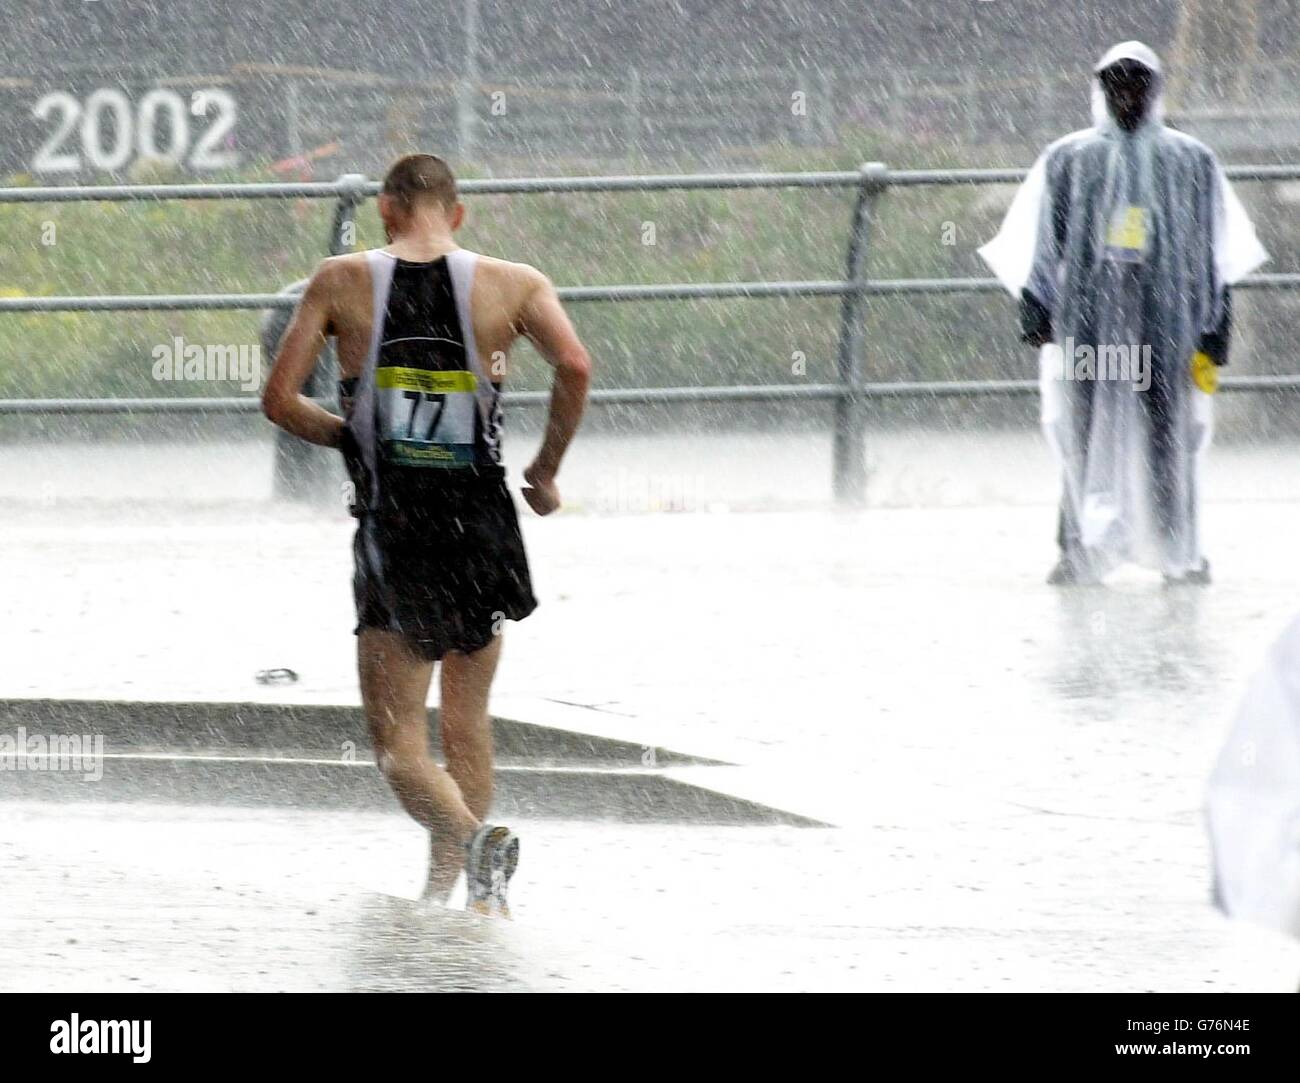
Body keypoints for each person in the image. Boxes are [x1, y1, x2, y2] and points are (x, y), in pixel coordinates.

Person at [262, 153, 591, 915]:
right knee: (468, 721)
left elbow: (279, 400)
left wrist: (353, 436)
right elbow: (574, 364)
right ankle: (462, 892)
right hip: (482, 522)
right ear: (459, 213)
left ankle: (473, 845)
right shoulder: (517, 283)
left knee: (399, 744)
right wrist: (544, 471)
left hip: (396, 526)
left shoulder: (339, 280)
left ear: (385, 209)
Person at [979, 41, 1268, 586]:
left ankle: (1176, 548)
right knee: (1084, 434)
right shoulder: (1070, 159)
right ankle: (1080, 546)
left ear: (1155, 90)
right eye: (1118, 85)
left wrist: (1216, 322)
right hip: (1093, 330)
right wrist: (1036, 301)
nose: (1128, 96)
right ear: (1102, 90)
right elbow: (1046, 239)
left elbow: (1216, 249)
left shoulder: (1191, 161)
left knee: (1168, 437)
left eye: (1138, 85)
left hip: (1166, 331)